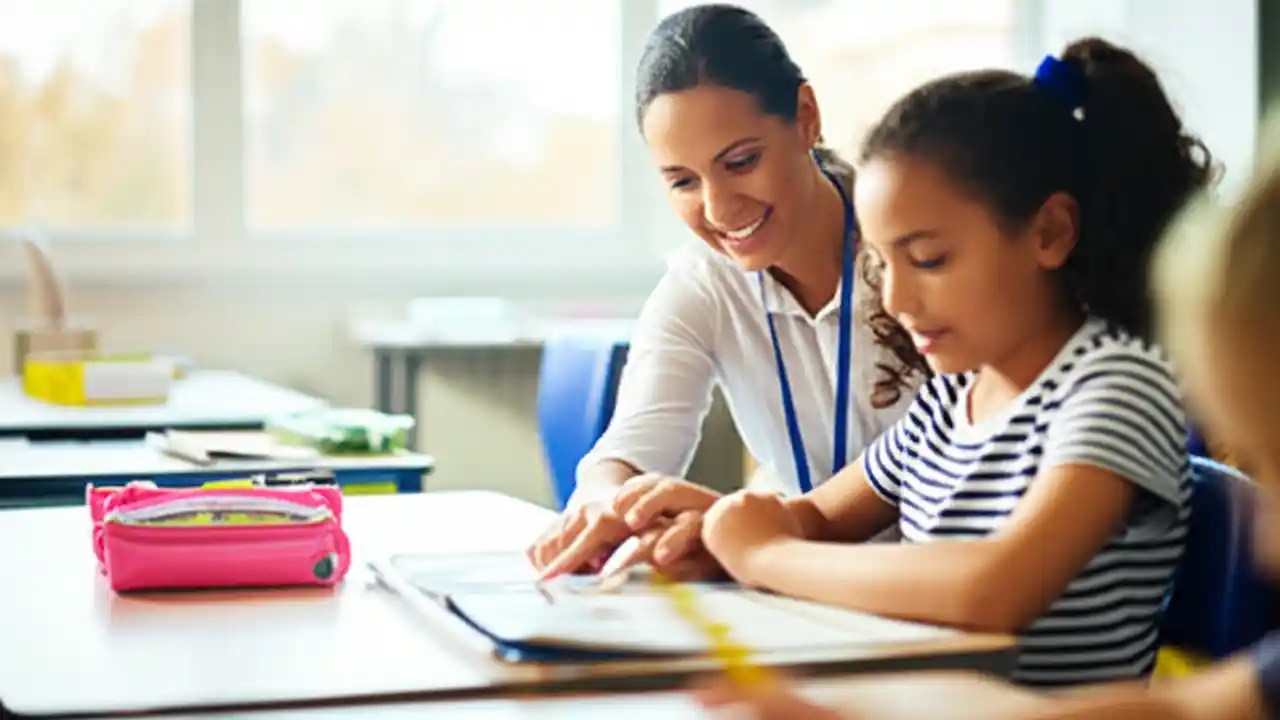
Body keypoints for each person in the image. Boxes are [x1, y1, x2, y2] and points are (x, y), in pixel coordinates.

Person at [694, 110, 1280, 720]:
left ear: (1049, 233)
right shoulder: (953, 396)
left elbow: (992, 591)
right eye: (880, 264)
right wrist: (712, 528)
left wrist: (763, 556)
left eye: (928, 258)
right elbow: (812, 517)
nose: (894, 299)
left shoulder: (1117, 387)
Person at [527, 3, 927, 581]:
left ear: (806, 117)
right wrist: (606, 501)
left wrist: (736, 529)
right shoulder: (704, 281)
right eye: (683, 181)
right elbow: (631, 448)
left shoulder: (920, 258)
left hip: (919, 581)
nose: (717, 209)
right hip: (801, 582)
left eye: (740, 162)